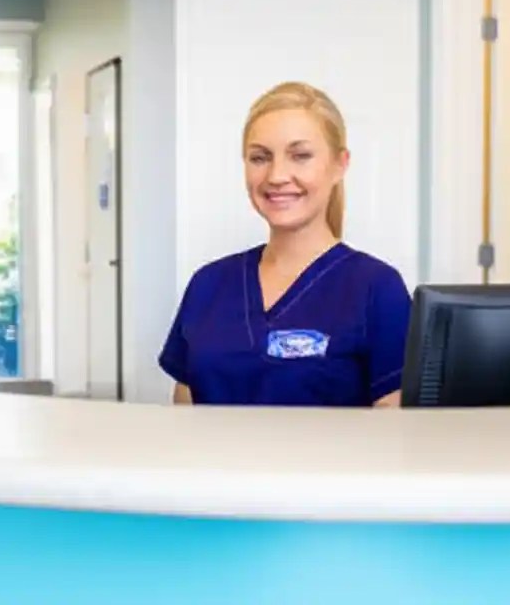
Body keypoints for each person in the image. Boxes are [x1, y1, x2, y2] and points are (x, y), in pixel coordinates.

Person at [158, 81, 411, 407]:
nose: (277, 175)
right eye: (259, 158)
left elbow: (394, 436)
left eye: (300, 156)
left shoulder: (375, 288)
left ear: (340, 165)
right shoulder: (208, 285)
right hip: (214, 459)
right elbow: (184, 418)